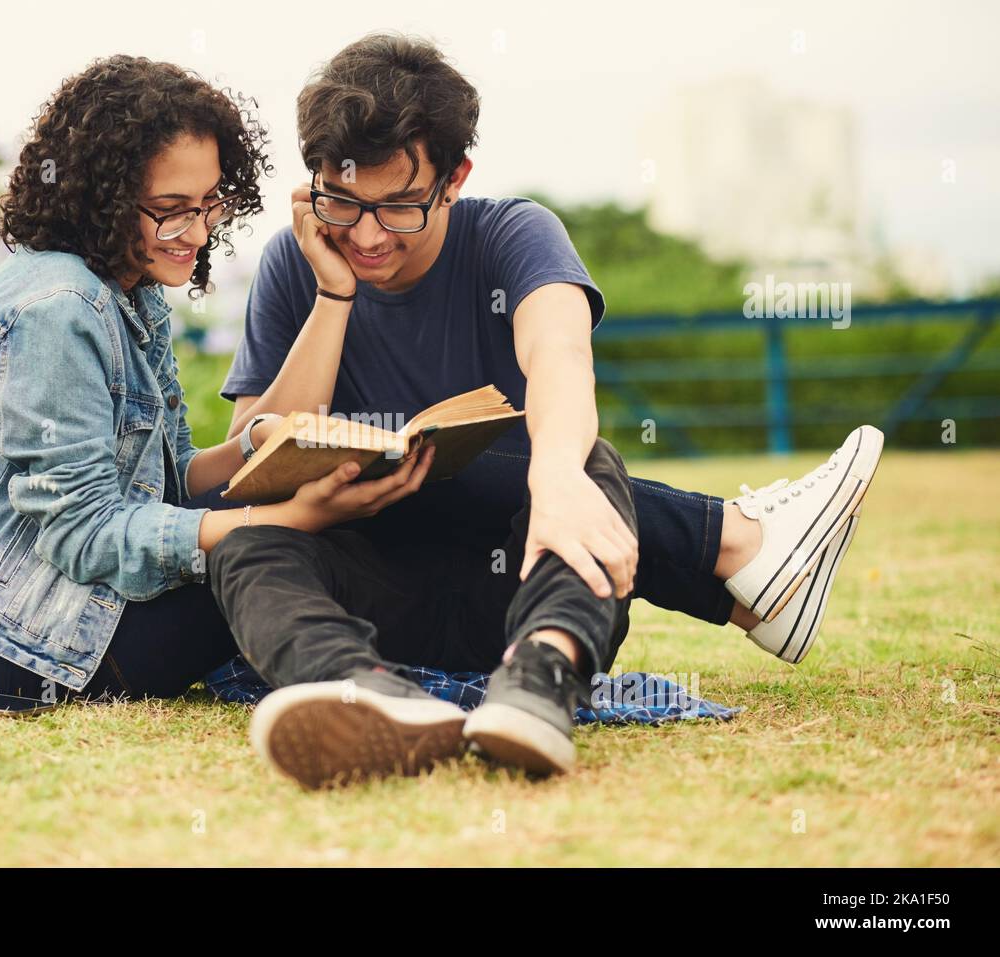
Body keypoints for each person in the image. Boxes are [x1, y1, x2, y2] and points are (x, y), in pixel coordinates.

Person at [208, 34, 883, 787]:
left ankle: (537, 685)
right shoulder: (289, 263)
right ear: (315, 180)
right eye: (343, 202)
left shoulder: (511, 234)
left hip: (524, 582)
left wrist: (557, 472)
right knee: (245, 543)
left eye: (399, 207)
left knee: (586, 464)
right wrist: (332, 295)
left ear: (454, 178)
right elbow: (250, 458)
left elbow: (559, 356)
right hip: (371, 589)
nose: (367, 236)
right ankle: (361, 692)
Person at [0, 54, 439, 703]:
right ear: (102, 197)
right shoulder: (58, 311)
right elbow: (85, 535)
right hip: (49, 638)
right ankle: (376, 691)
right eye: (172, 209)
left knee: (324, 541)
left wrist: (291, 440)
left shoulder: (129, 291)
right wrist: (286, 518)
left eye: (211, 205)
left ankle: (388, 676)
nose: (199, 232)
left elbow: (179, 479)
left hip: (98, 605)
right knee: (287, 555)